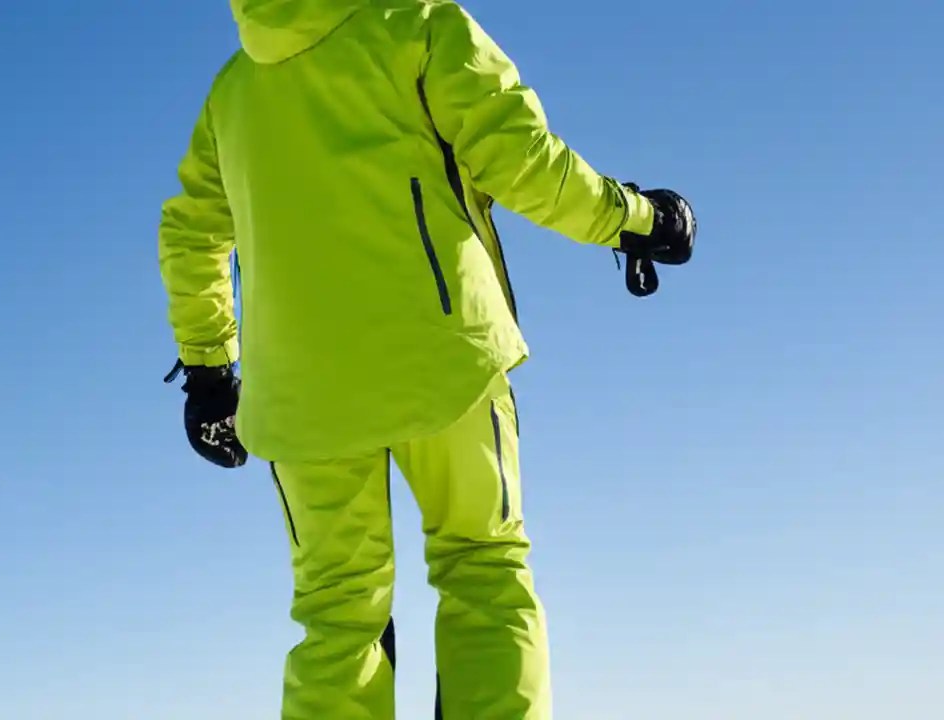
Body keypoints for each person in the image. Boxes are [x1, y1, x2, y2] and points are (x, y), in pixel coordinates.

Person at [157, 1, 697, 718]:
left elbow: (190, 236)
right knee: (483, 567)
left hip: (300, 399)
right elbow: (522, 161)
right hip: (447, 362)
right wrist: (636, 217)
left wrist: (208, 372)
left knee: (338, 613)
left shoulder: (232, 93)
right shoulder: (418, 24)